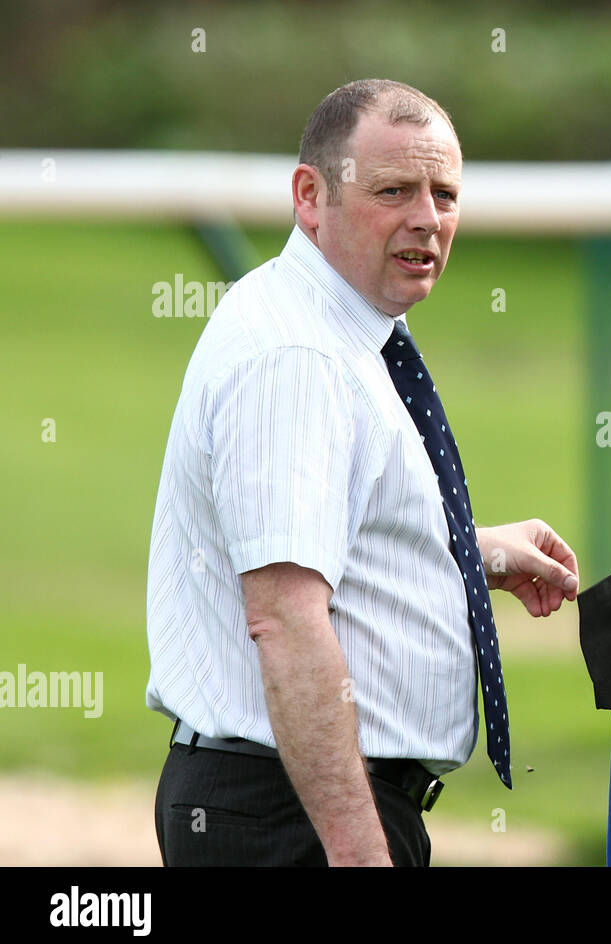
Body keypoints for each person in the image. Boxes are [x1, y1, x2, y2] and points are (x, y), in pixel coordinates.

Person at [145, 78, 579, 867]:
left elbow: (320, 540)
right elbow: (284, 618)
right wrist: (358, 854)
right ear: (311, 196)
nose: (428, 218)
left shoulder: (332, 328)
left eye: (445, 193)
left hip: (294, 807)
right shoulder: (297, 356)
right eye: (394, 190)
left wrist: (467, 552)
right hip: (295, 819)